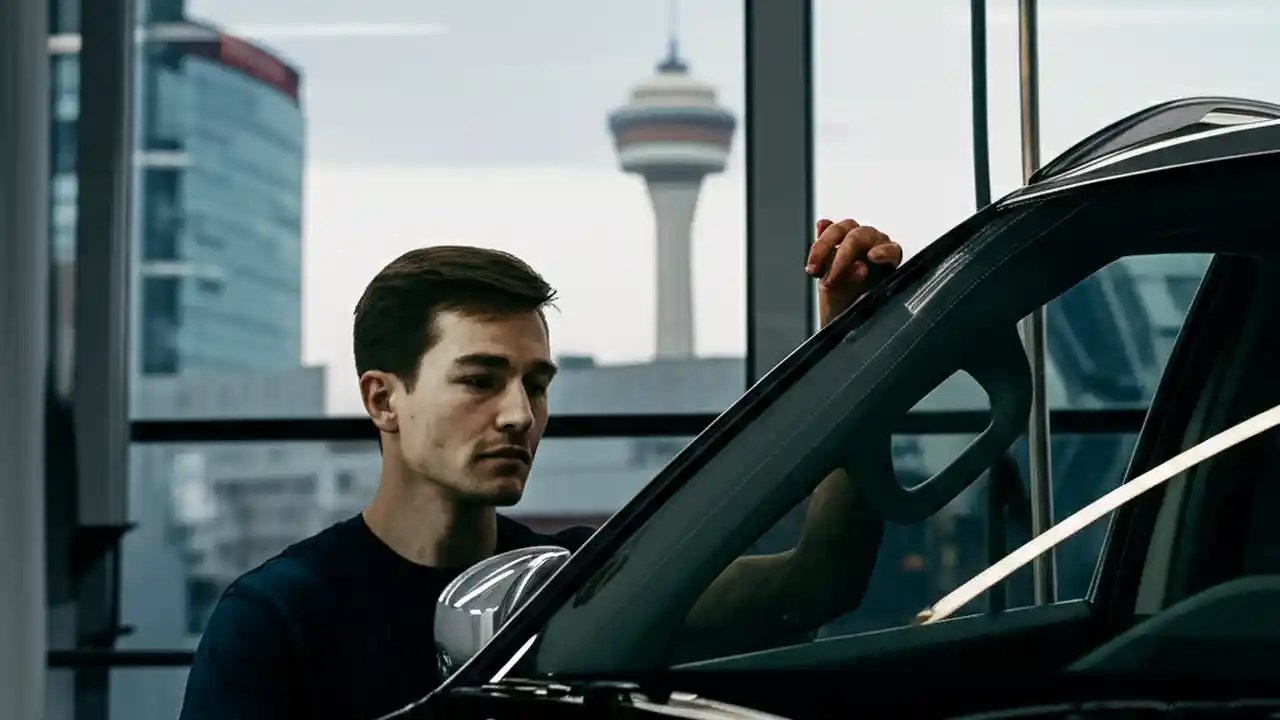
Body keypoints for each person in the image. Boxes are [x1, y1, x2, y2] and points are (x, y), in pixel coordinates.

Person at [178, 218, 902, 719]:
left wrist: (857, 342)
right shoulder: (277, 619)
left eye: (537, 383)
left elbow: (818, 582)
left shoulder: (581, 584)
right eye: (480, 379)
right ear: (383, 399)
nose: (520, 415)